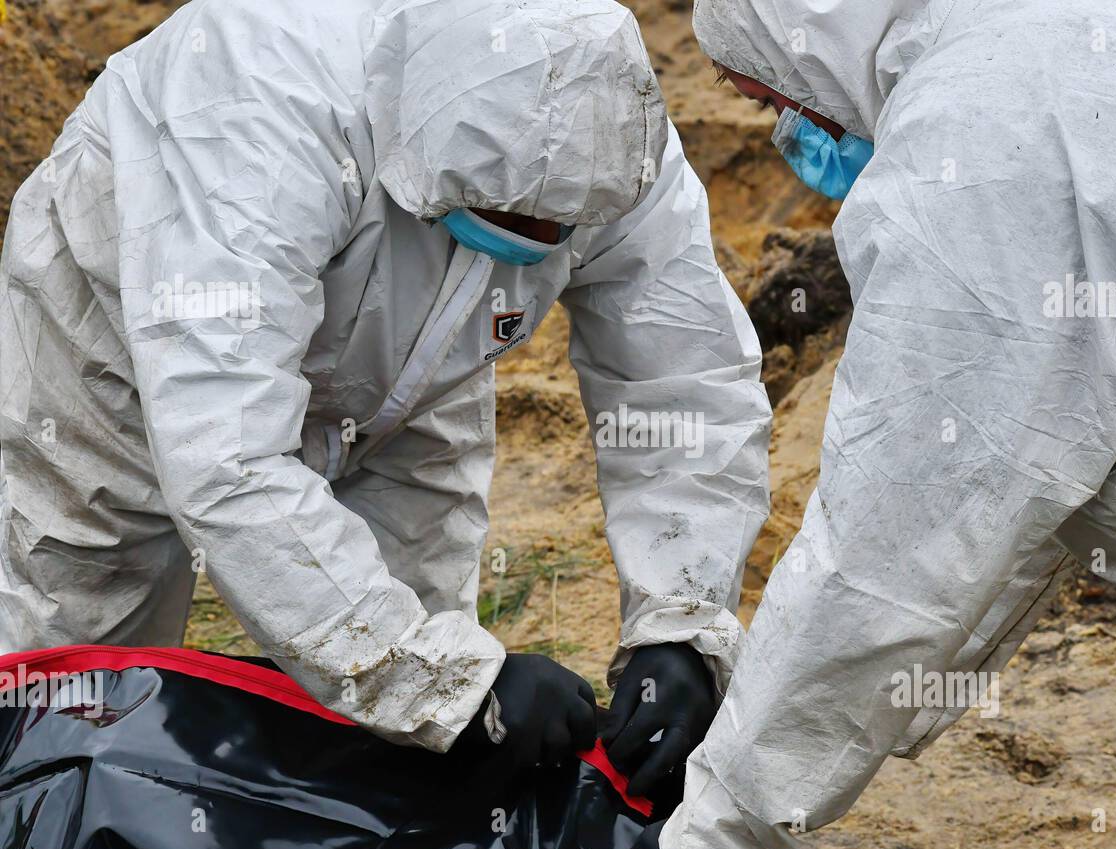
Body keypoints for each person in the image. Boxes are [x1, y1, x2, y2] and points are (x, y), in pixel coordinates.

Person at [0, 0, 771, 789]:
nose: (536, 238)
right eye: (500, 214)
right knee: (75, 680)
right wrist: (449, 685)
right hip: (116, 357)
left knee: (410, 726)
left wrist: (680, 622)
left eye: (556, 228)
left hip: (417, 376)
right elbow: (226, 455)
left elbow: (680, 378)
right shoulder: (255, 113)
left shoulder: (609, 142)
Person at [652, 0, 1116, 849]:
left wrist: (722, 819)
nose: (787, 138)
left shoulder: (979, 148)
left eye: (774, 103)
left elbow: (900, 543)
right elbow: (1022, 487)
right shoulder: (1111, 27)